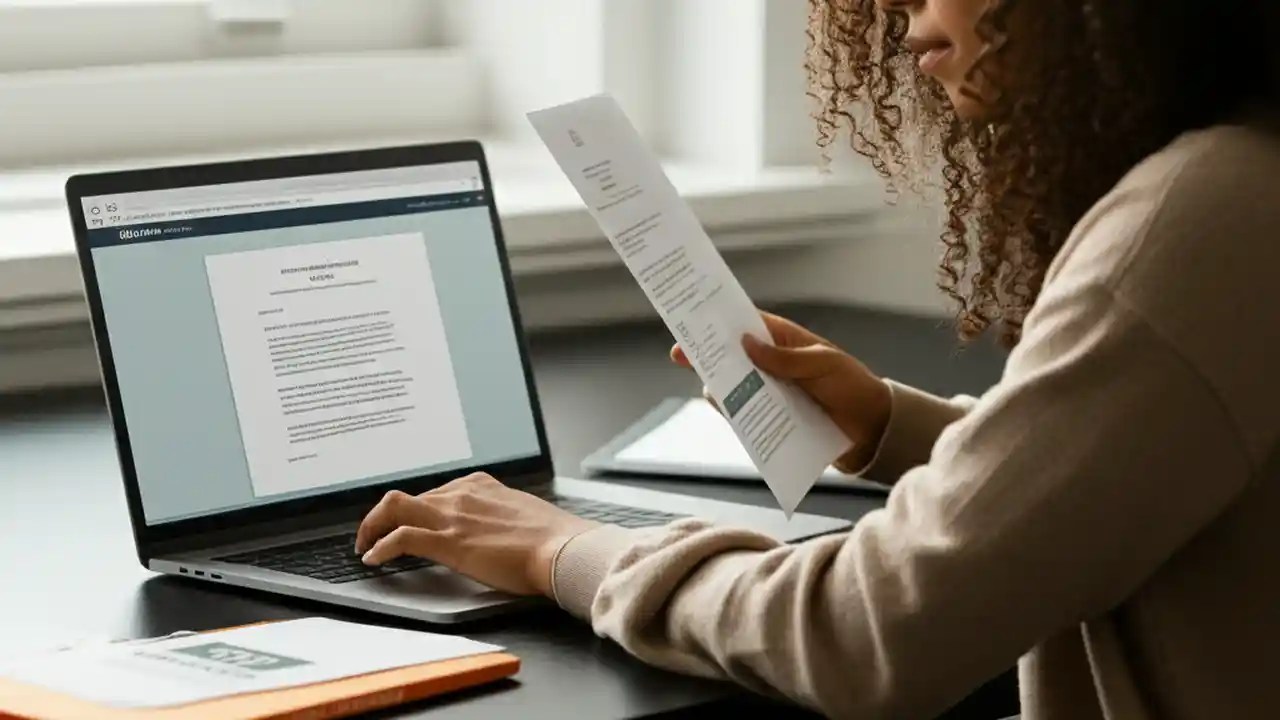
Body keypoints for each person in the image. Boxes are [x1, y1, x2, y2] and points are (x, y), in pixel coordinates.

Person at [354, 0, 1280, 717]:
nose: (903, 23)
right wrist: (892, 424)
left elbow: (873, 630)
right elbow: (1146, 464)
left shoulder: (1200, 219)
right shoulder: (1246, 177)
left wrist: (565, 550)